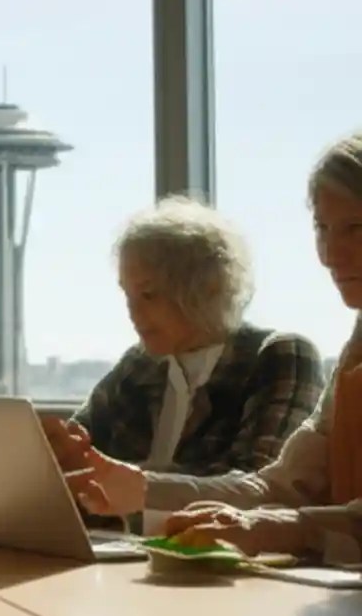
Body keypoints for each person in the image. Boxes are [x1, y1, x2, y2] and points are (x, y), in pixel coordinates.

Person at [59, 132, 362, 564]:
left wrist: (282, 528)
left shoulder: (277, 356)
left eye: (356, 227)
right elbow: (277, 487)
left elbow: (278, 500)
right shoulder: (356, 349)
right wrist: (141, 488)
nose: (331, 254)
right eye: (321, 228)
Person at [66, 196, 323, 482]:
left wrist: (127, 484)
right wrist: (61, 452)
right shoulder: (138, 366)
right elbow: (76, 448)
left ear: (208, 288)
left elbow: (256, 482)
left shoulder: (279, 356)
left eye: (149, 294)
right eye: (128, 294)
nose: (132, 311)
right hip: (119, 528)